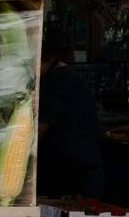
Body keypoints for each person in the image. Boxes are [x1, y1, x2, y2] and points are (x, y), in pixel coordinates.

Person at [37, 35, 104, 199]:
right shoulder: (64, 76)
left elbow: (40, 129)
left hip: (75, 170)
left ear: (45, 59)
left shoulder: (58, 80)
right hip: (73, 165)